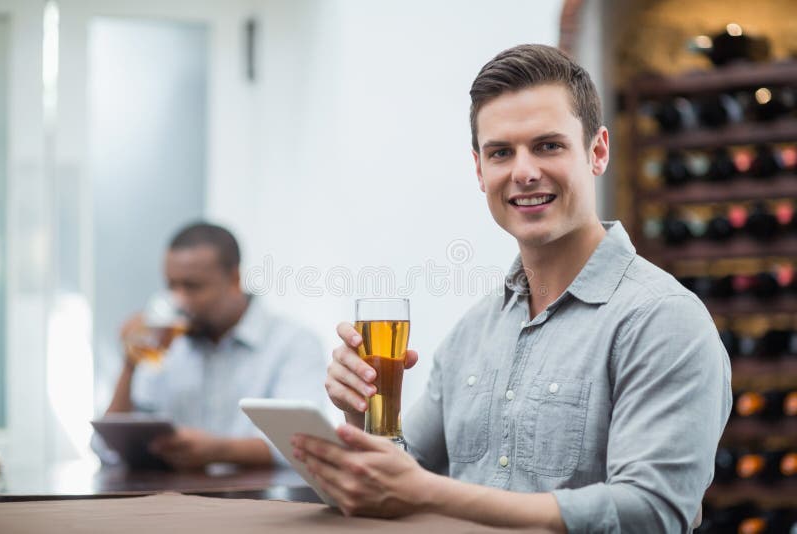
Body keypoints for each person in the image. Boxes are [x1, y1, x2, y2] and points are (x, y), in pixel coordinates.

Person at [291, 44, 732, 532]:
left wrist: (428, 491)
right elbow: (400, 480)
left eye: (548, 145)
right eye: (501, 152)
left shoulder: (664, 320)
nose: (523, 171)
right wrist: (360, 418)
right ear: (480, 171)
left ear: (597, 152)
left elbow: (650, 513)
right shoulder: (473, 331)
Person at [103, 222, 327, 470]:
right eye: (171, 286)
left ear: (234, 279)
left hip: (261, 502)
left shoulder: (292, 343)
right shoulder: (166, 344)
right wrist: (130, 364)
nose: (178, 299)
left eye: (192, 286)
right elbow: (106, 448)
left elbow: (304, 444)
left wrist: (220, 451)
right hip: (173, 501)